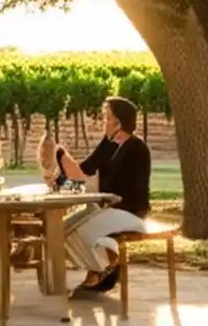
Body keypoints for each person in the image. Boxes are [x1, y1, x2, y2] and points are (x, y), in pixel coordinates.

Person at [47, 96, 151, 296]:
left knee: (81, 229)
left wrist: (66, 165)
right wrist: (59, 177)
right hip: (107, 208)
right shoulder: (109, 144)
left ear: (118, 121)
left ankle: (102, 267)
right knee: (61, 228)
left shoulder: (138, 149)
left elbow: (127, 191)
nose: (104, 121)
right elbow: (85, 169)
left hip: (129, 211)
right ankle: (100, 266)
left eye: (107, 117)